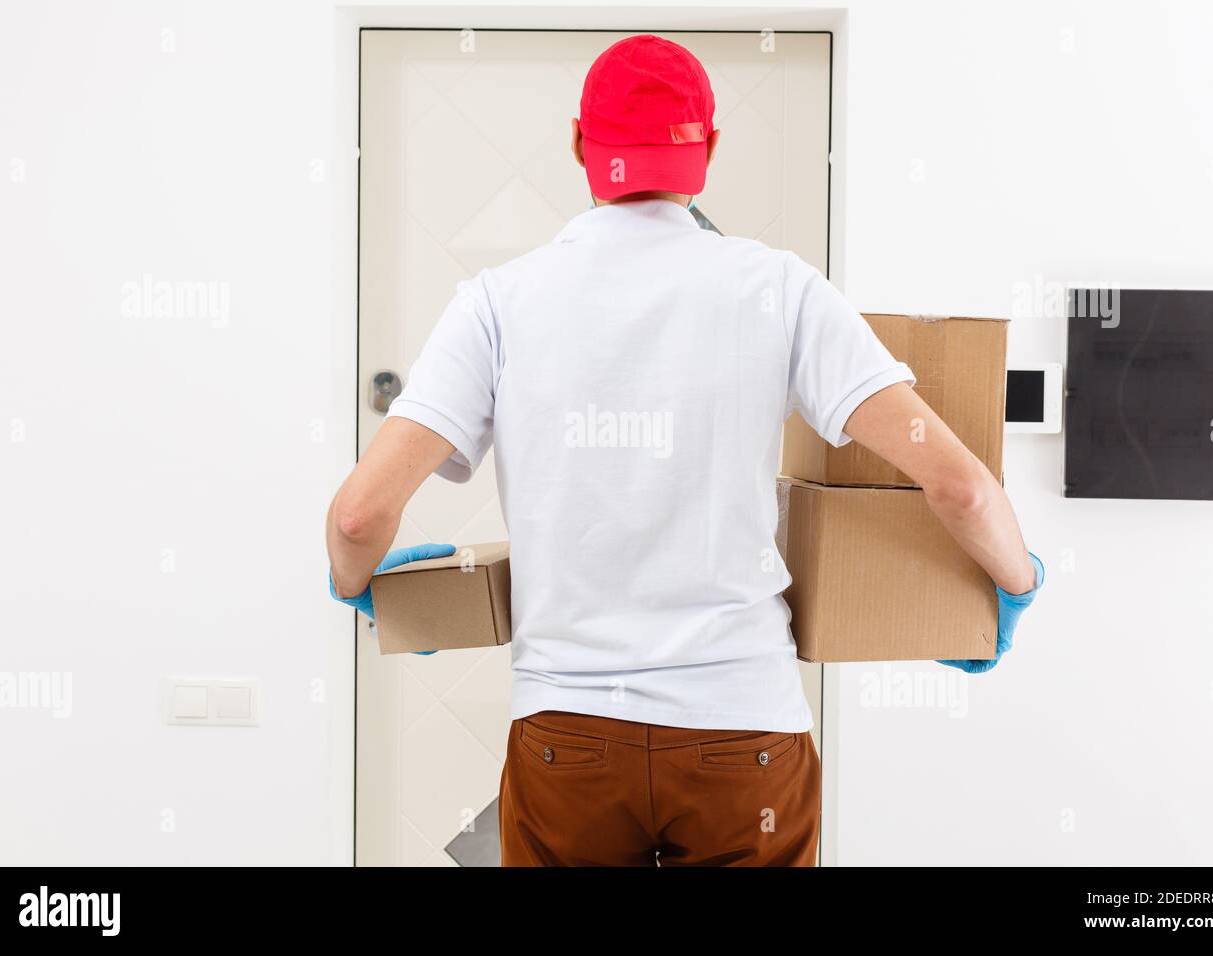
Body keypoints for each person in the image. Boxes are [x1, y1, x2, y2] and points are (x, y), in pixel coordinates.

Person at [326, 34, 1043, 867]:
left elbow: (358, 516)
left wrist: (361, 591)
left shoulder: (498, 304)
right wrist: (1010, 592)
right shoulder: (781, 290)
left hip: (568, 742)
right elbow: (961, 489)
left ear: (579, 144)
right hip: (745, 740)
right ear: (706, 147)